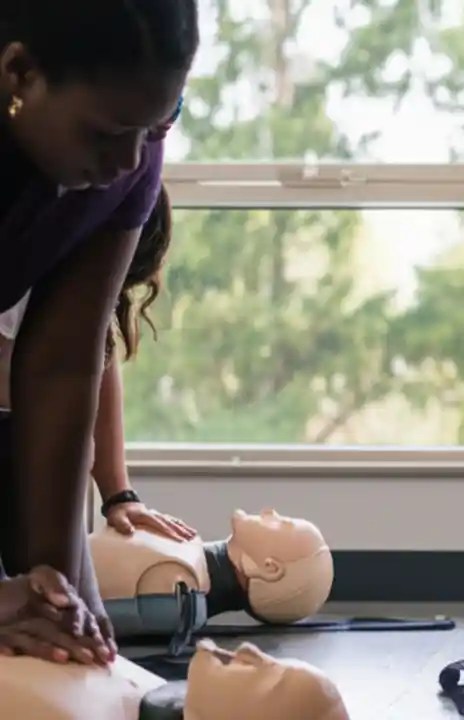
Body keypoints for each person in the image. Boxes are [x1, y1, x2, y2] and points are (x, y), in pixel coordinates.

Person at [0, 0, 199, 667]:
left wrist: (58, 595)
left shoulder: (127, 164)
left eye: (156, 127)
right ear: (20, 75)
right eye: (109, 132)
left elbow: (64, 361)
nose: (130, 160)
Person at [0, 186, 197, 543]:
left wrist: (119, 495)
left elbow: (96, 354)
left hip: (30, 447)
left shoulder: (77, 304)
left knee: (66, 592)